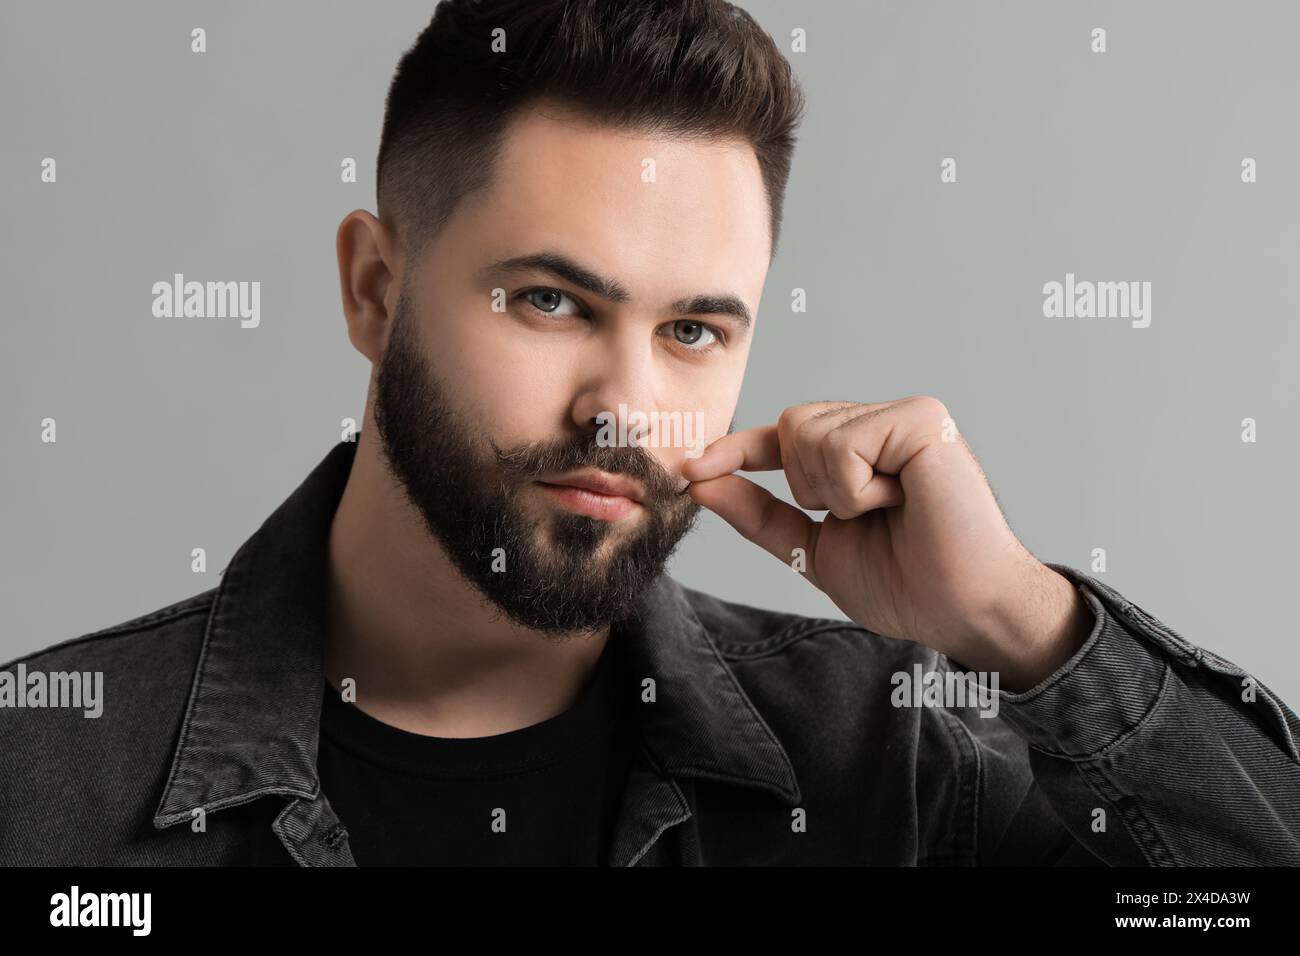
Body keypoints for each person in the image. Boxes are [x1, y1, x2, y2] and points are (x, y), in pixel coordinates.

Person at [3, 0, 1297, 866]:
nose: (622, 409)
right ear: (375, 291)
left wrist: (1021, 625)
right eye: (550, 302)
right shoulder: (44, 777)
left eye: (692, 330)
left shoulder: (895, 772)